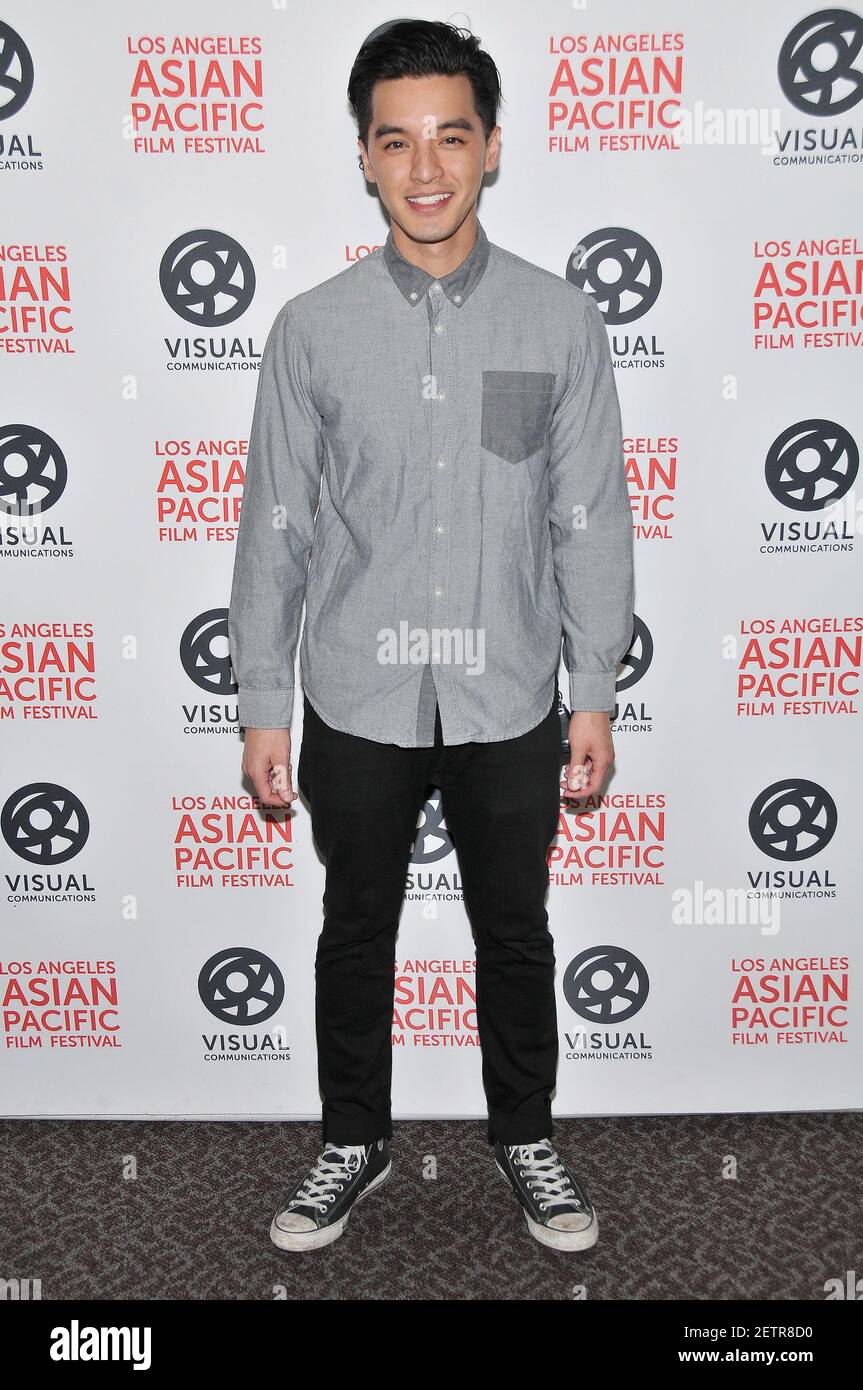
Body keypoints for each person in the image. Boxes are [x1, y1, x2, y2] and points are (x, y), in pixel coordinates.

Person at [227, 18, 634, 1254]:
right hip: (356, 694)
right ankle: (352, 1140)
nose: (424, 168)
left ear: (491, 148)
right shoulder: (309, 329)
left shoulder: (558, 324)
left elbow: (591, 520)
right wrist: (261, 703)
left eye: (450, 136)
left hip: (509, 687)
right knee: (355, 929)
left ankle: (527, 1139)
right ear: (362, 156)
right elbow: (276, 525)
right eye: (395, 141)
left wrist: (594, 690)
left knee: (514, 930)